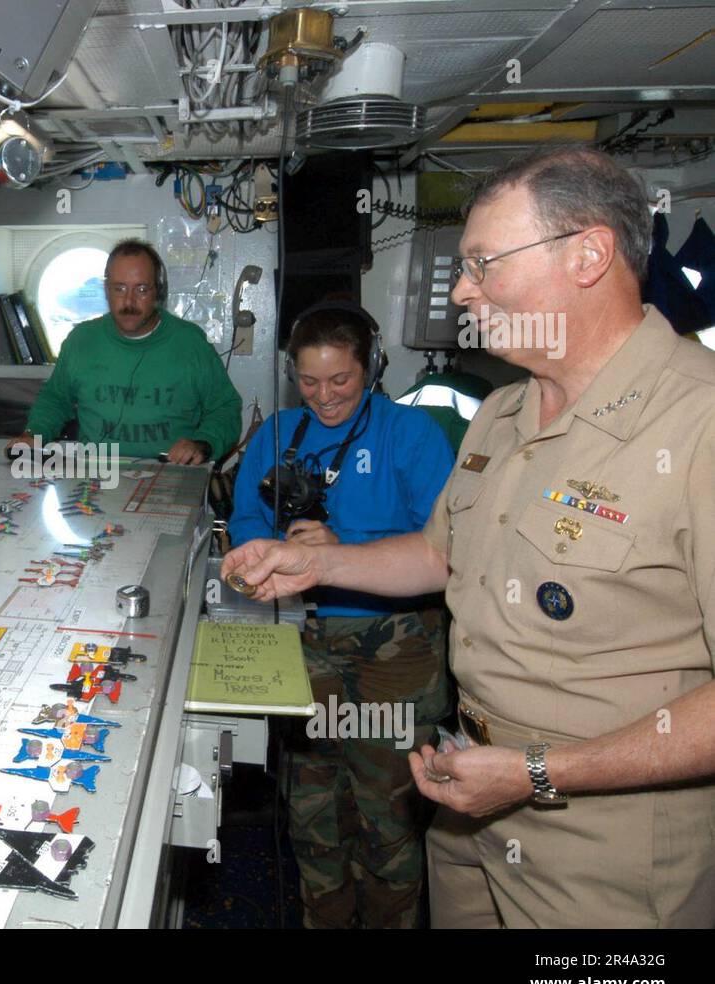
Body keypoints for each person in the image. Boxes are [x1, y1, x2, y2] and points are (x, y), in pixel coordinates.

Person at [223, 144, 715, 928]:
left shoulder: (699, 422)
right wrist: (311, 564)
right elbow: (438, 555)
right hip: (467, 792)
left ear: (589, 254)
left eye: (484, 264)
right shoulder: (504, 412)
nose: (461, 291)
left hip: (603, 835)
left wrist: (536, 773)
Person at [230, 301, 455, 928]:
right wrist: (253, 560)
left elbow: (443, 542)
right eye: (308, 381)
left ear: (372, 368)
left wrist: (342, 547)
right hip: (305, 641)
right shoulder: (277, 434)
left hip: (397, 649)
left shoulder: (411, 435)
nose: (324, 396)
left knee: (387, 813)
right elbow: (247, 518)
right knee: (314, 809)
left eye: (341, 380)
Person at [7, 239, 242, 464]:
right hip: (97, 475)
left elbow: (225, 408)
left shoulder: (191, 343)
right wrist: (32, 435)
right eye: (119, 288)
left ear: (158, 292)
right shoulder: (81, 340)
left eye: (141, 289)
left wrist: (203, 443)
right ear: (106, 290)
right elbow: (55, 400)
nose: (128, 301)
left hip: (169, 472)